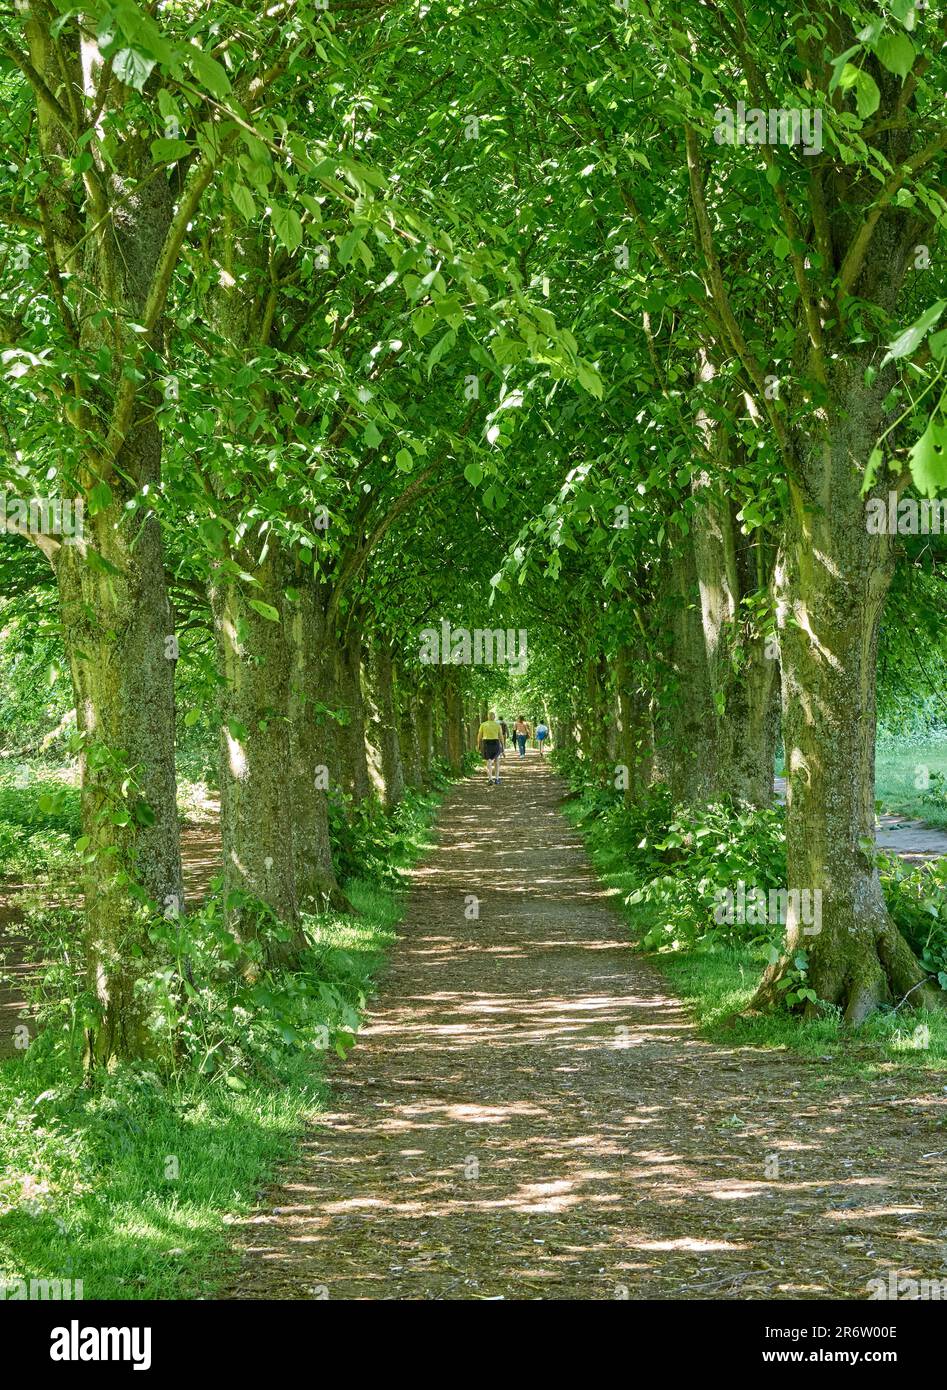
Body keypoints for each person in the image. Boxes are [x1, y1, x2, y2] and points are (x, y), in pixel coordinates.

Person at [477, 710, 504, 784]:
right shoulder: (497, 725)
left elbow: (479, 736)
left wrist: (478, 745)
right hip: (495, 742)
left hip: (486, 743)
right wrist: (503, 746)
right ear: (494, 717)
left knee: (488, 761)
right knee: (497, 761)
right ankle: (497, 779)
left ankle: (490, 779)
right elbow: (501, 736)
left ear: (487, 717)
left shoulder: (483, 724)